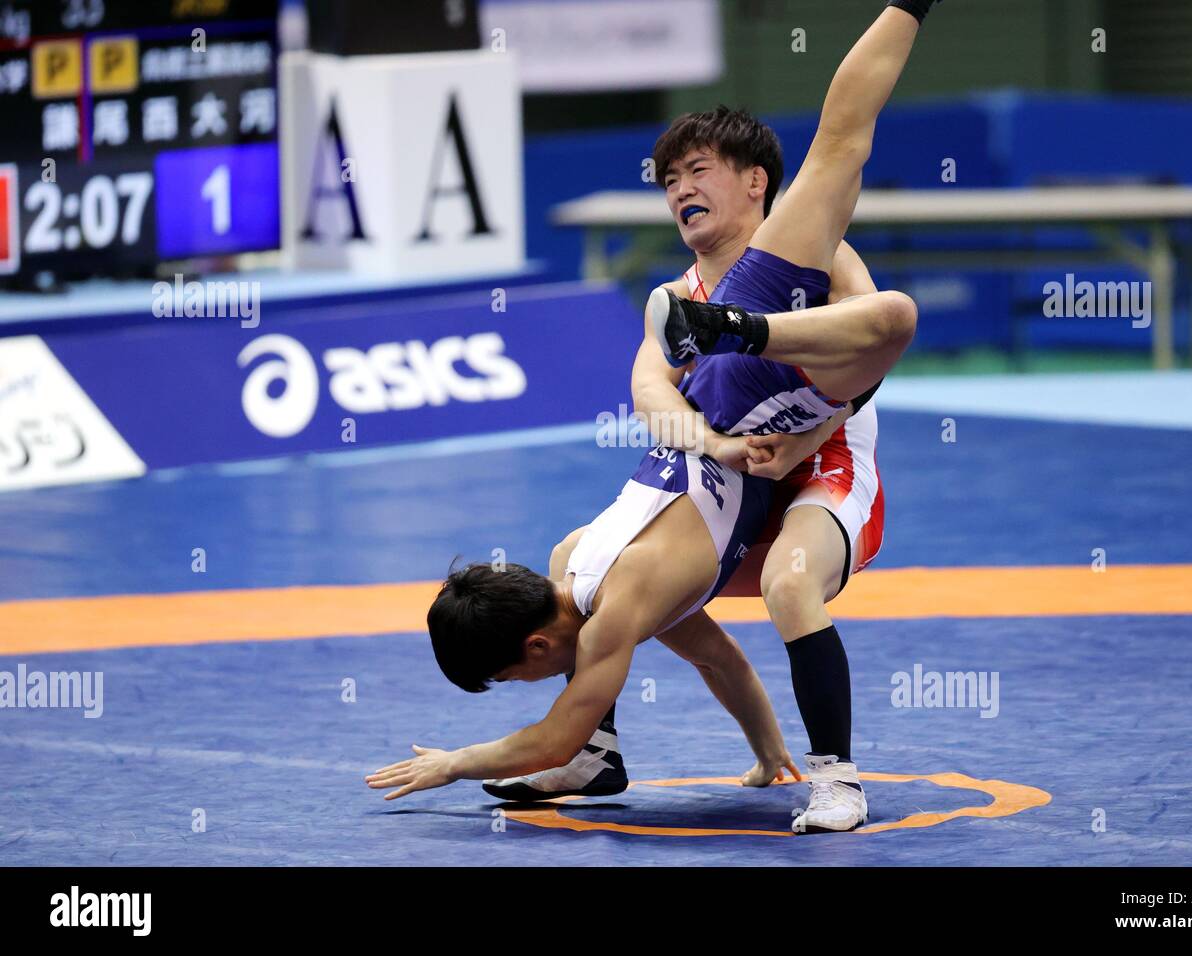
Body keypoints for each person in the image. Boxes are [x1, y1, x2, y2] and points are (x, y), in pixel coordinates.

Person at [367, 0, 938, 833]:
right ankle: (593, 757)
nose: (679, 189)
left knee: (886, 313)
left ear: (754, 183)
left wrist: (805, 433)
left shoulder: (803, 251)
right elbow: (651, 400)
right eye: (668, 181)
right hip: (731, 442)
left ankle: (838, 779)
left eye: (696, 171)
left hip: (822, 443)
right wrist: (718, 444)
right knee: (814, 346)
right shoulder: (669, 300)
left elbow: (876, 352)